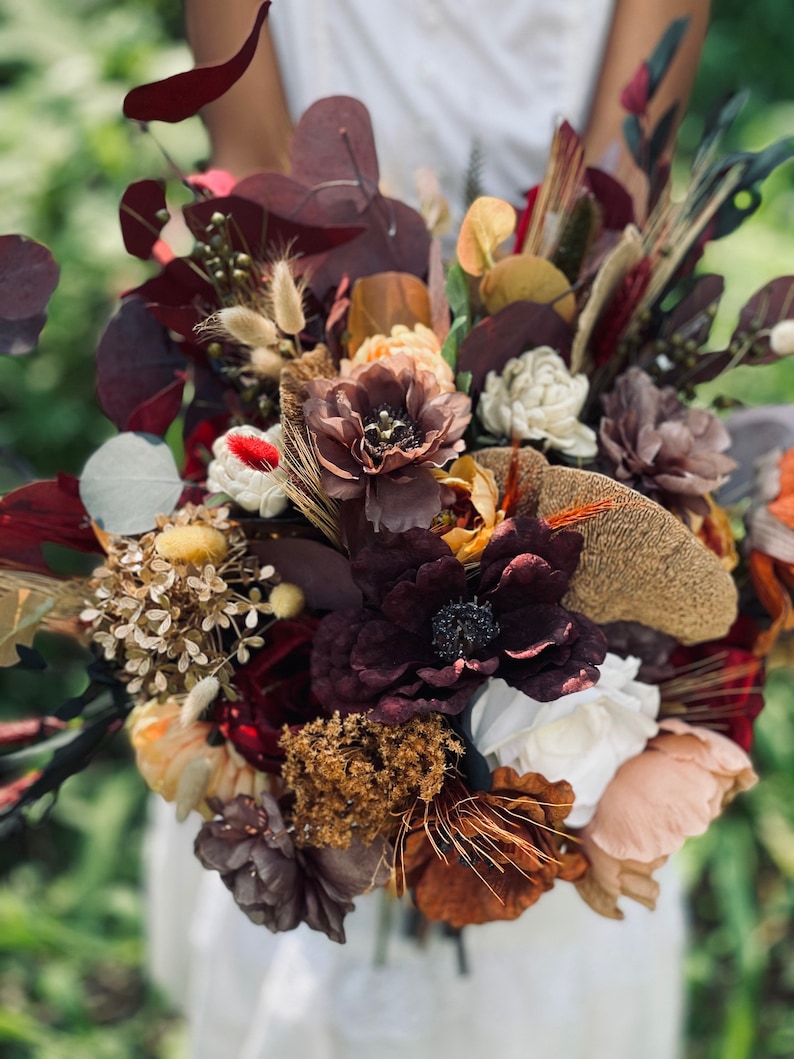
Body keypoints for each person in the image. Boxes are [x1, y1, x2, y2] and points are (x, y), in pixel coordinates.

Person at [146, 3, 711, 1056]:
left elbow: (626, 172)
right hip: (310, 357)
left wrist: (541, 423)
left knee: (539, 791)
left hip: (562, 355)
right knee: (318, 801)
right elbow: (250, 164)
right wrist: (329, 430)